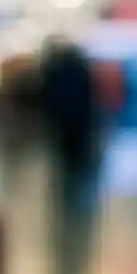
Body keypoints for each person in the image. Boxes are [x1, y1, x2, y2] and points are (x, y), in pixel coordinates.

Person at [41, 36, 100, 207]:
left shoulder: (57, 71)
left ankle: (71, 187)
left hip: (65, 120)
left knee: (68, 154)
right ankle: (76, 188)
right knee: (76, 155)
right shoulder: (80, 69)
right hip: (79, 120)